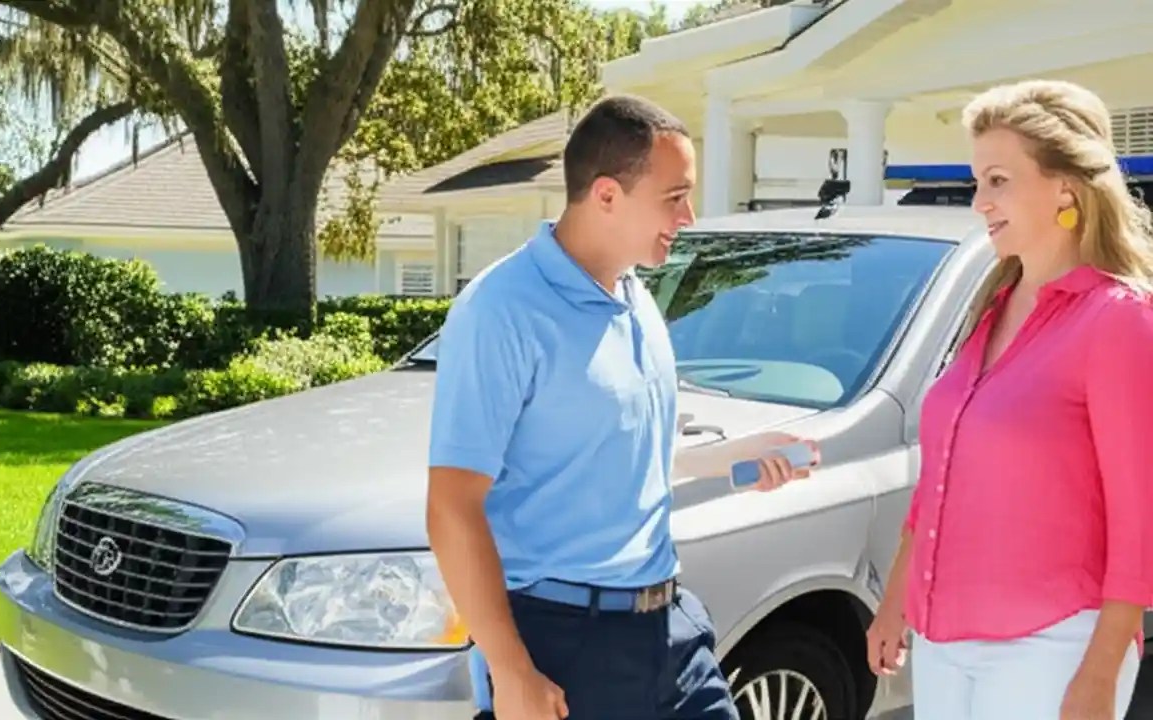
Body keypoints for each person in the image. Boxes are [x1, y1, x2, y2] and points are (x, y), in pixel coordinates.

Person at [426, 94, 814, 720]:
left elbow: (623, 453)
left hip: (670, 631)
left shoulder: (635, 295)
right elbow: (451, 505)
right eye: (674, 196)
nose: (690, 215)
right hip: (564, 646)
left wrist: (734, 458)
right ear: (606, 195)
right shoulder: (501, 309)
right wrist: (511, 669)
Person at [865, 78, 1153, 720]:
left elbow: (1141, 519)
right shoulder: (990, 306)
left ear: (1066, 189)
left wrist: (1101, 671)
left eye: (997, 180)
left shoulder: (1118, 320)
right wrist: (897, 602)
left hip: (1053, 643)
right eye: (977, 181)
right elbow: (939, 478)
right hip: (943, 643)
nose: (979, 202)